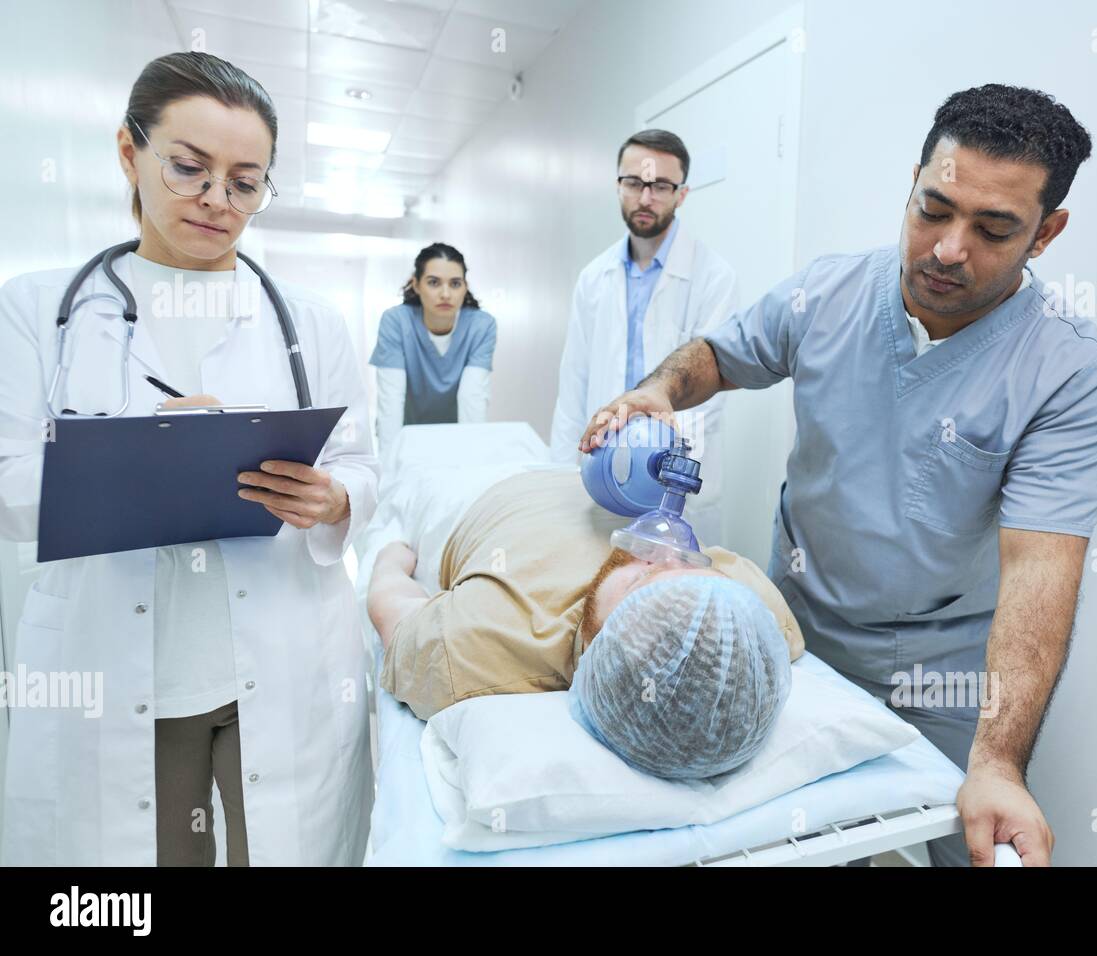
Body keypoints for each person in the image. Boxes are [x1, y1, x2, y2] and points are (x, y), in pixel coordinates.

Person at [579, 85, 1097, 866]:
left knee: (961, 842)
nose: (947, 248)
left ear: (1047, 234)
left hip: (945, 674)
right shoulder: (825, 294)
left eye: (993, 228)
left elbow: (1041, 565)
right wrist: (660, 389)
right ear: (912, 181)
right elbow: (720, 356)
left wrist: (999, 761)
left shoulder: (1070, 371)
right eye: (932, 208)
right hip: (795, 635)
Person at [0, 52, 379, 865]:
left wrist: (335, 499)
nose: (216, 200)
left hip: (281, 659)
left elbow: (364, 467)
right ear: (129, 153)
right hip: (122, 669)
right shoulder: (37, 311)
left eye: (246, 182)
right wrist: (142, 451)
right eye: (188, 168)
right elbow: (7, 483)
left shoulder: (311, 323)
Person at [365, 468, 802, 778]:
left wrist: (392, 554)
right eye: (692, 567)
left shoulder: (473, 644)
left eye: (646, 575)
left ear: (599, 654)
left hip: (471, 495)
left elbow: (392, 609)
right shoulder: (759, 617)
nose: (662, 548)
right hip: (596, 476)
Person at [548, 130, 738, 545]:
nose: (645, 197)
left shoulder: (714, 278)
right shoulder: (593, 279)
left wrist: (653, 464)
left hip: (671, 479)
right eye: (634, 183)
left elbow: (710, 392)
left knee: (673, 602)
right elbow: (573, 388)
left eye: (660, 186)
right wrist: (563, 478)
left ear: (682, 194)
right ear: (619, 186)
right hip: (599, 476)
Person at [370, 242, 497, 450]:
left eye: (455, 284)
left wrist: (474, 456)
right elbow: (390, 400)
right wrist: (388, 467)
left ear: (465, 287)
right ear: (416, 284)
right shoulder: (396, 321)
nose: (446, 294)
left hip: (456, 436)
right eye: (434, 282)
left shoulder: (481, 325)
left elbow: (472, 397)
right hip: (406, 437)